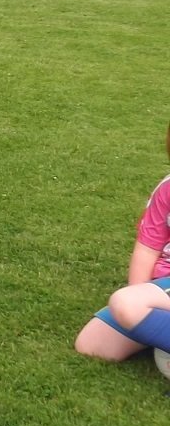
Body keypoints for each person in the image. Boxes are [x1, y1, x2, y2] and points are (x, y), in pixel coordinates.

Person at [75, 125, 170, 362]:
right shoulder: (167, 189)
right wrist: (139, 291)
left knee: (125, 303)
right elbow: (148, 247)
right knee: (93, 344)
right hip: (161, 287)